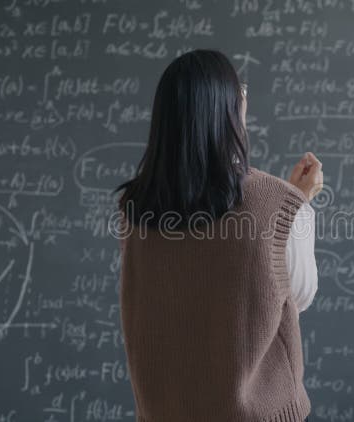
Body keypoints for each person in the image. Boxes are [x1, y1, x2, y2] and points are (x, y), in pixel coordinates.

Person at [113, 49, 322, 421]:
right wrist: (298, 206)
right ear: (228, 111)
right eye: (240, 93)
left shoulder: (136, 208)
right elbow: (297, 297)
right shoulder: (276, 202)